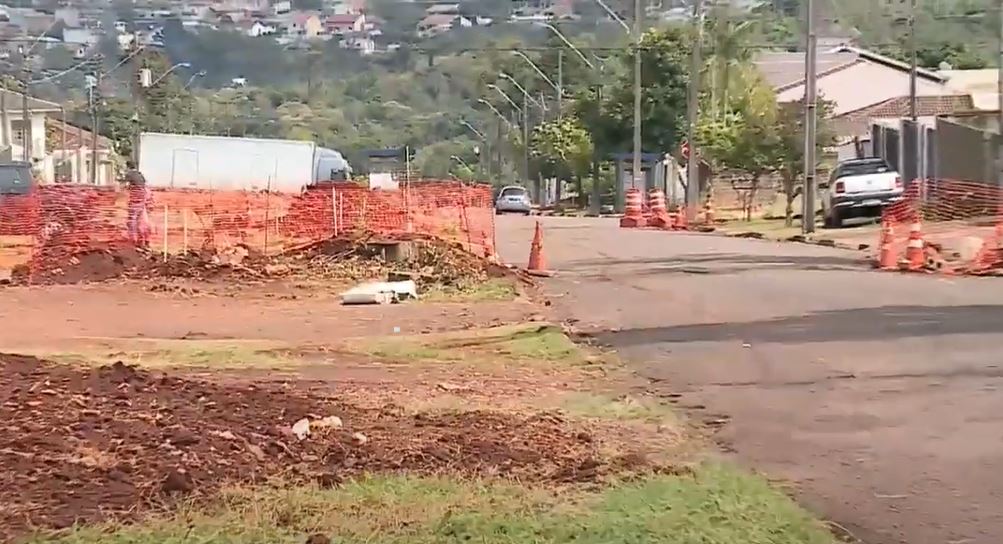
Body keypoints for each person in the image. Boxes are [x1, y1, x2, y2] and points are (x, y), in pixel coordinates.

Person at [124, 161, 150, 247]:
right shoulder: (140, 175)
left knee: (131, 221)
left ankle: (133, 240)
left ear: (128, 167)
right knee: (142, 221)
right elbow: (145, 187)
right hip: (142, 201)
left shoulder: (129, 174)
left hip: (135, 201)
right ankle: (145, 239)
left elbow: (125, 186)